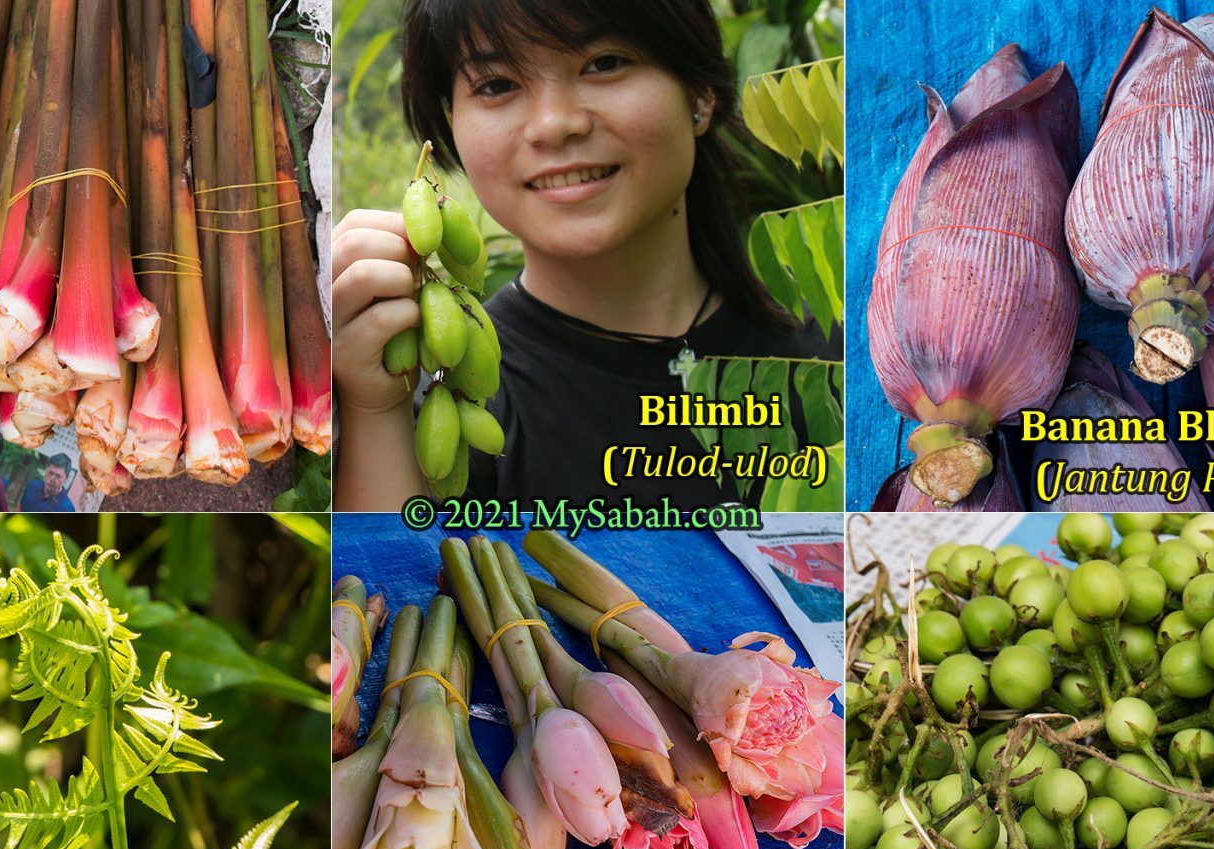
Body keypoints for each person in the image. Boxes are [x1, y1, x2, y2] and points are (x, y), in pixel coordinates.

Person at [332, 0, 836, 510]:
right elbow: (391, 559)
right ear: (452, 126)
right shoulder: (440, 400)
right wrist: (373, 413)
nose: (554, 124)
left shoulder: (846, 358)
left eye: (604, 63)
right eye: (497, 84)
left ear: (701, 93)